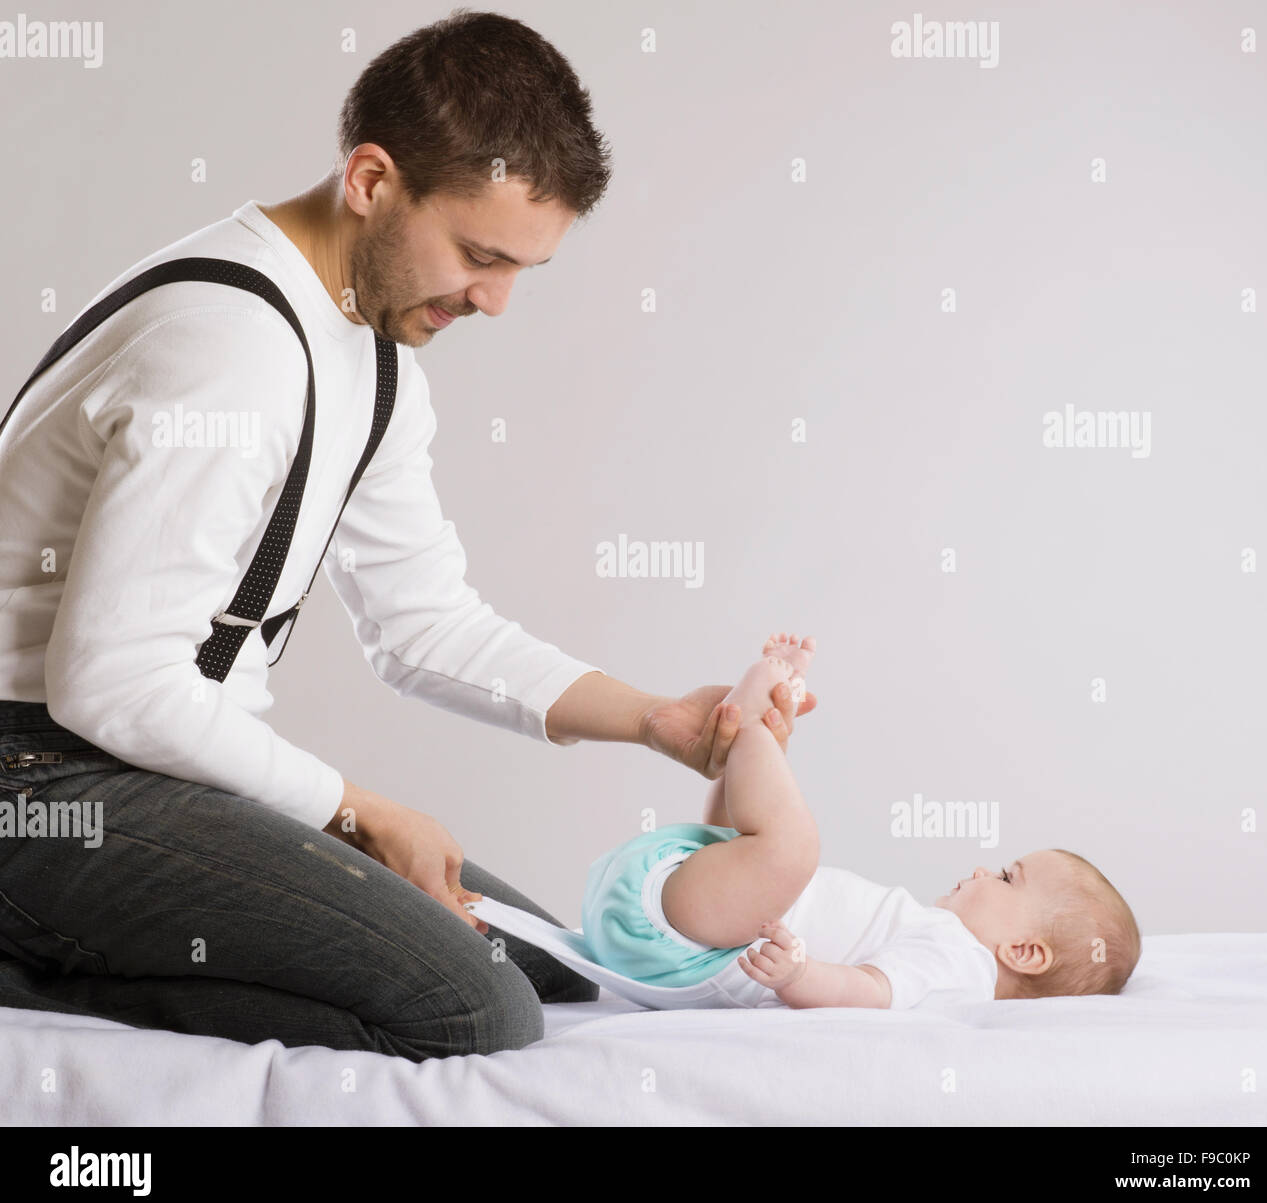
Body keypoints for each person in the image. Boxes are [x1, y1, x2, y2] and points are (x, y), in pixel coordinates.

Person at [0, 12, 814, 1062]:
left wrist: (658, 720)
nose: (497, 300)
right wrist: (355, 813)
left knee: (550, 961)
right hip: (39, 784)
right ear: (373, 181)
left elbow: (425, 625)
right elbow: (111, 685)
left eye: (524, 268)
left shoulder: (373, 354)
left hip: (149, 773)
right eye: (480, 255)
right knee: (475, 1005)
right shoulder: (230, 348)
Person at [563, 632, 1141, 1009]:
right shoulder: (937, 940)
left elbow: (871, 991)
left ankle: (748, 728)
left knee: (790, 851)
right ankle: (747, 739)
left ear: (1024, 952)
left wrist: (799, 978)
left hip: (688, 935)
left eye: (1009, 878)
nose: (984, 869)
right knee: (760, 849)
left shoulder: (961, 964)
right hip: (686, 911)